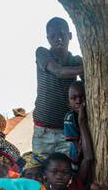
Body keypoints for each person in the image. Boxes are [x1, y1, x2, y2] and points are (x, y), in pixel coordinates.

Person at [33, 18, 84, 157]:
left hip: (66, 130)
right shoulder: (42, 53)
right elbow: (58, 71)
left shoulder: (76, 61)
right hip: (42, 130)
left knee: (66, 172)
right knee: (40, 171)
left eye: (62, 34)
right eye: (53, 36)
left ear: (70, 36)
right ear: (48, 38)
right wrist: (87, 68)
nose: (58, 39)